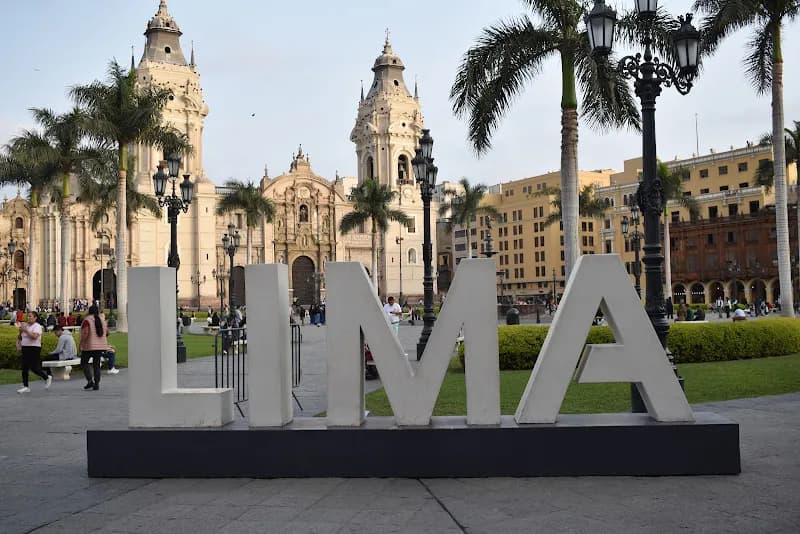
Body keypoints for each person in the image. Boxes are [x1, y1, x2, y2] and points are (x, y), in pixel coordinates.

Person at [17, 311, 52, 393]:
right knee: (24, 367)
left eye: (30, 316)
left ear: (35, 318)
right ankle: (26, 386)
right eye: (28, 316)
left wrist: (26, 330)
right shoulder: (25, 325)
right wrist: (19, 342)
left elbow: (34, 337)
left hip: (34, 348)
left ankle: (46, 377)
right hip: (25, 348)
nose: (28, 318)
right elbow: (20, 337)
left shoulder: (37, 326)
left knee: (34, 368)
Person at [79, 305, 109, 391]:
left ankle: (90, 380)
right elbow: (107, 333)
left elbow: (85, 334)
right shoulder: (102, 320)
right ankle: (97, 383)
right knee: (96, 365)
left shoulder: (87, 320)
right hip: (99, 347)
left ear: (89, 311)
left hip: (89, 346)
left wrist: (81, 344)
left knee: (84, 362)